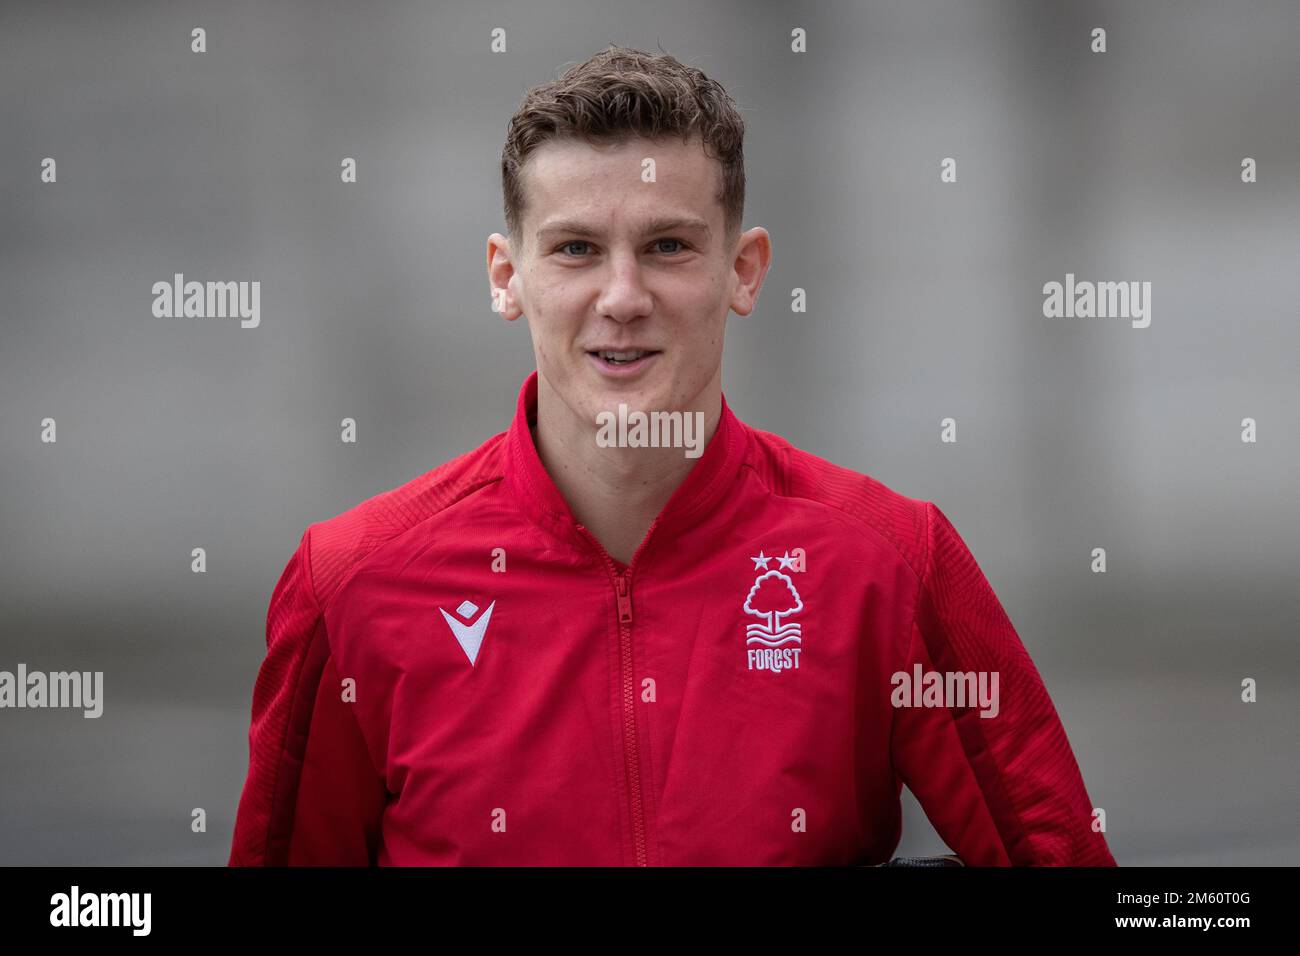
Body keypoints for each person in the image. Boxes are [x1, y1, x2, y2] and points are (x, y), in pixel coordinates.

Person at [229, 44, 1115, 866]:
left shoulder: (890, 562)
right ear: (508, 277)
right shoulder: (350, 584)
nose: (622, 297)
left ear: (744, 270)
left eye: (668, 247)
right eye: (576, 249)